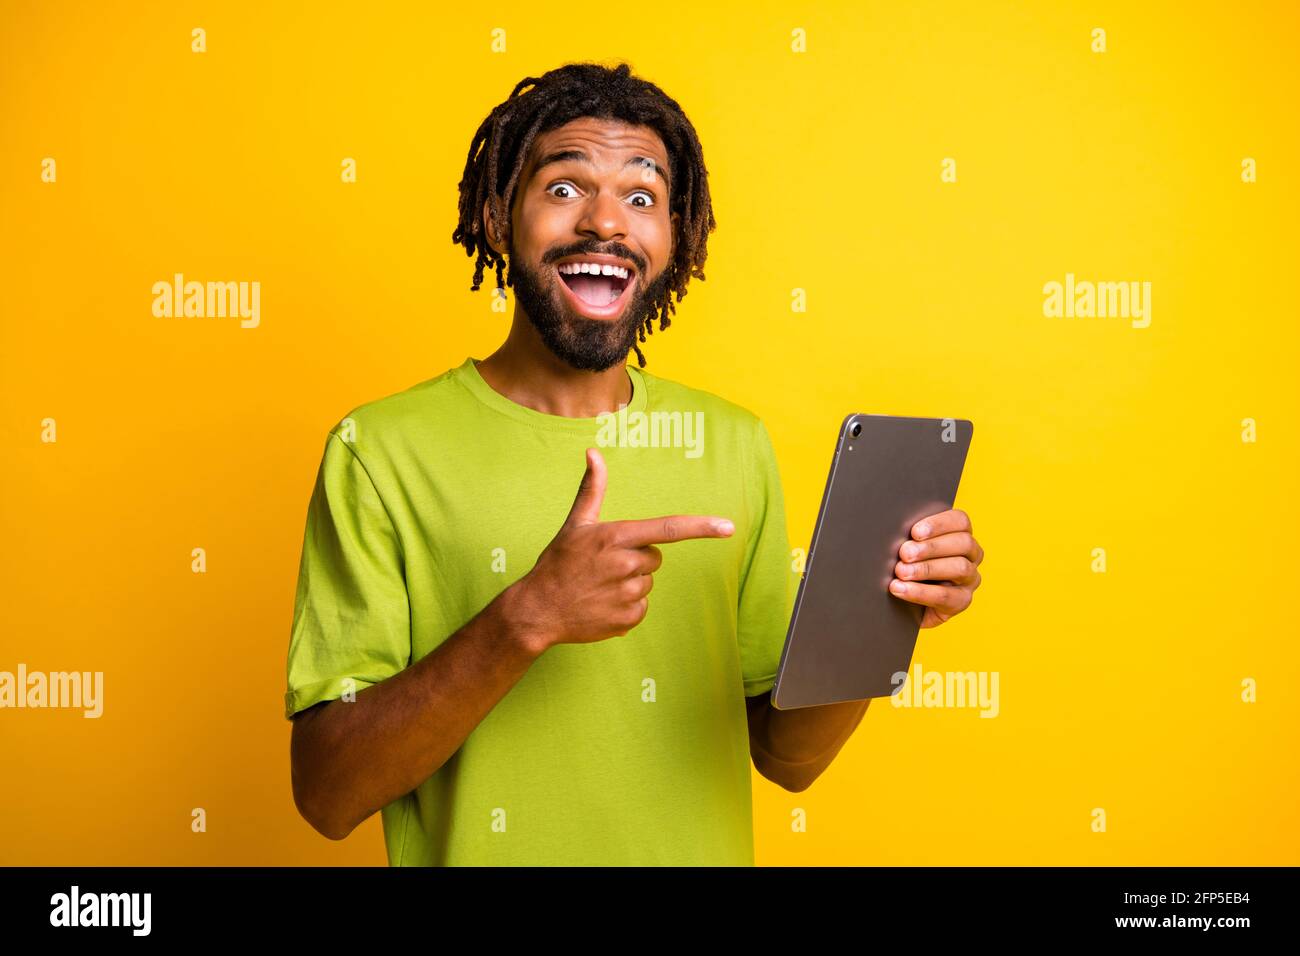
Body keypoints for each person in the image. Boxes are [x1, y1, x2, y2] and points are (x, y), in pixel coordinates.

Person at [285, 61, 985, 866]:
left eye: (643, 197)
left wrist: (882, 612)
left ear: (677, 239)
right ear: (493, 214)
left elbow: (786, 760)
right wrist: (528, 618)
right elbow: (328, 792)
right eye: (563, 188)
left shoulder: (732, 443)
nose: (606, 224)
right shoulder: (378, 451)